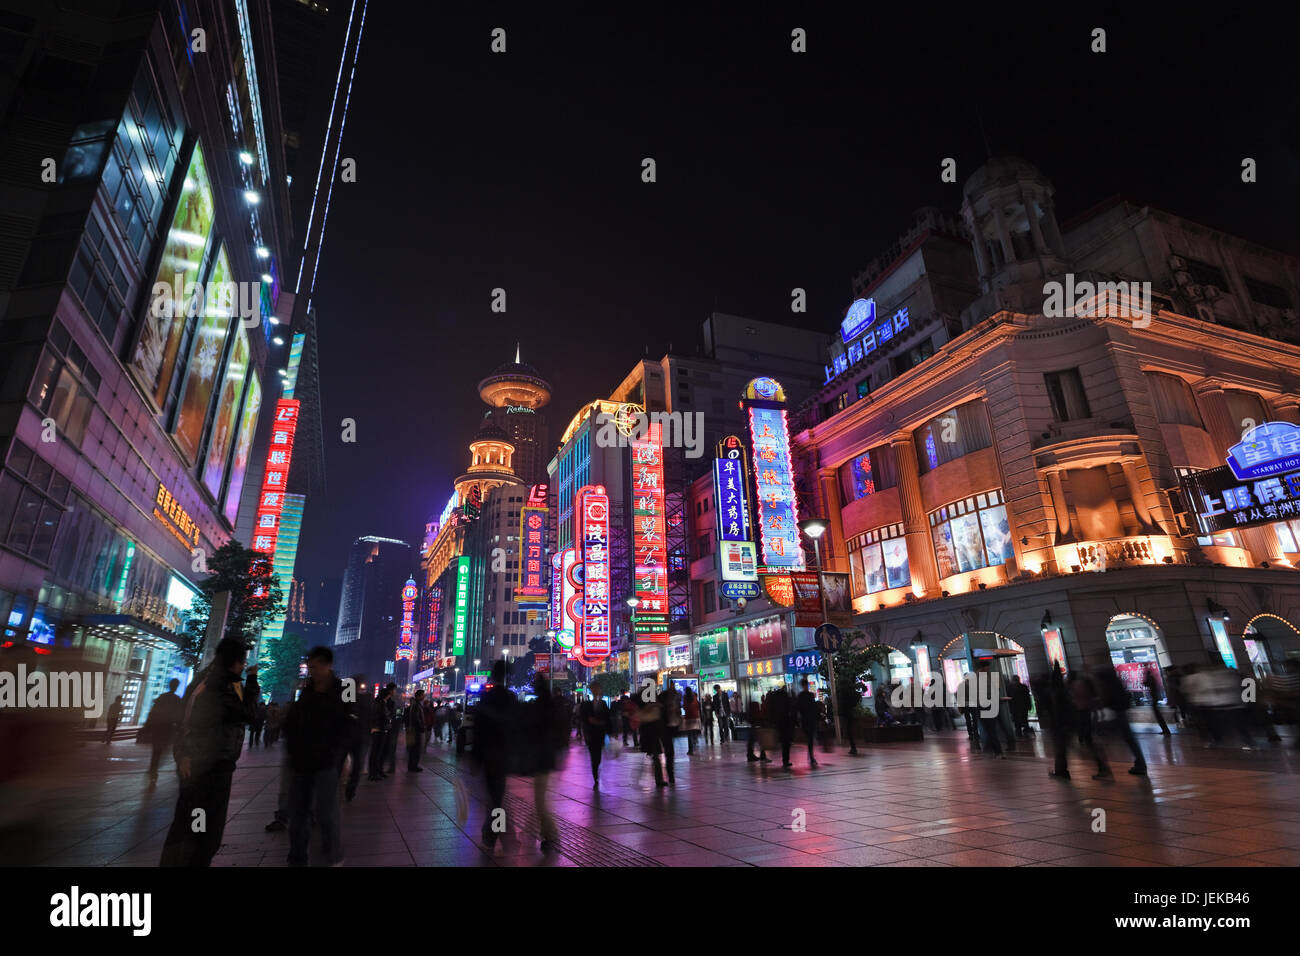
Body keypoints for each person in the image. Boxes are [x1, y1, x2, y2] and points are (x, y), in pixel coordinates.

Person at [160, 638, 260, 866]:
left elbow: (184, 717)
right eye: (243, 662)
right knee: (202, 831)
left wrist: (182, 754)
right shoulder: (221, 685)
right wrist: (253, 682)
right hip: (209, 771)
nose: (244, 666)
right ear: (234, 661)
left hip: (202, 767)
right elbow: (249, 714)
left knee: (191, 827)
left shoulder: (204, 679)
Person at [283, 646, 354, 866]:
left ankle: (332, 855)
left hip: (326, 761)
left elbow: (348, 726)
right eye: (310, 667)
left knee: (326, 813)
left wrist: (341, 756)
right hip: (301, 762)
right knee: (298, 815)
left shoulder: (344, 689)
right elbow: (295, 721)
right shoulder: (307, 690)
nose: (311, 671)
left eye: (315, 666)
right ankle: (297, 858)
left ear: (327, 665)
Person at [473, 661, 518, 847]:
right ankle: (495, 831)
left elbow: (478, 729)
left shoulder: (486, 697)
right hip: (504, 752)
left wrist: (475, 757)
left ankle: (493, 832)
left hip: (488, 752)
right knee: (497, 795)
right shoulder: (510, 697)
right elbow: (517, 727)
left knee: (494, 796)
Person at [524, 674, 565, 851]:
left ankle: (551, 833)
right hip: (546, 756)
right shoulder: (549, 706)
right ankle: (546, 832)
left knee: (539, 801)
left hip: (542, 757)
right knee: (539, 799)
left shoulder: (540, 707)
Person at [1094, 664, 1147, 775]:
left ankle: (1104, 768)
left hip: (1114, 714)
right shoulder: (1116, 683)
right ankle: (1140, 763)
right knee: (1129, 739)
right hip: (1119, 713)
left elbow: (1107, 700)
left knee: (1101, 740)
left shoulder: (1108, 686)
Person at [143, 678, 184, 779]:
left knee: (157, 748)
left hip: (159, 727)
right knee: (162, 748)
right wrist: (179, 728)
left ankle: (153, 768)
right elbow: (179, 715)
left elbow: (153, 711)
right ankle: (154, 768)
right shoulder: (177, 699)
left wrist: (148, 724)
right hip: (168, 727)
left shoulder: (162, 697)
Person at [344, 676, 372, 802]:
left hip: (347, 736)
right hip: (360, 736)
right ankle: (351, 788)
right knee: (357, 765)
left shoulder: (345, 698)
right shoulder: (365, 700)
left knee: (340, 762)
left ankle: (346, 786)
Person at [579, 691, 610, 787]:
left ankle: (596, 770)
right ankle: (595, 776)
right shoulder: (586, 704)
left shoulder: (603, 704)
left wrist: (611, 731)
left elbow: (607, 718)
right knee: (594, 756)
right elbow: (584, 719)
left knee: (598, 757)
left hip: (600, 734)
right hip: (591, 735)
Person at [638, 689, 667, 787]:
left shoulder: (654, 706)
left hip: (653, 734)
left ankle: (659, 779)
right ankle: (659, 779)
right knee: (656, 757)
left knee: (655, 757)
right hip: (651, 735)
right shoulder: (650, 706)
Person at [368, 683, 395, 780]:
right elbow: (383, 716)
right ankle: (373, 774)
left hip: (377, 729)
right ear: (387, 695)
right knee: (376, 752)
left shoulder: (377, 702)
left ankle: (374, 773)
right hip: (380, 729)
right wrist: (388, 721)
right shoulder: (381, 703)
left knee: (375, 752)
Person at [768, 684, 795, 768]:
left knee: (783, 741)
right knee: (786, 743)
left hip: (778, 722)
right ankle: (785, 760)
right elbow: (790, 708)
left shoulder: (774, 698)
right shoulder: (785, 697)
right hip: (785, 722)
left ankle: (784, 760)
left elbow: (771, 710)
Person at [660, 682, 682, 785]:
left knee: (670, 753)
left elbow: (678, 712)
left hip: (672, 727)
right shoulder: (664, 700)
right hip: (665, 729)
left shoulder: (675, 700)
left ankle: (670, 775)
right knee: (669, 753)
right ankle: (670, 775)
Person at [796, 678, 820, 767]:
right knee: (810, 738)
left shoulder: (801, 696)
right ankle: (811, 756)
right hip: (810, 719)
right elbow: (814, 707)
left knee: (810, 738)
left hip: (805, 720)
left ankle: (811, 755)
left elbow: (798, 708)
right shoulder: (810, 695)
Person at [1143, 666, 1171, 735]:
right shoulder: (1152, 678)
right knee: (1158, 715)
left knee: (1158, 715)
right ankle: (1165, 730)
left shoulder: (1150, 678)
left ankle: (1166, 730)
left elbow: (1146, 683)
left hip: (1154, 698)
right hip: (1154, 698)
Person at [405, 689, 427, 771]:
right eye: (423, 695)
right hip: (416, 730)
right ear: (418, 696)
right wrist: (422, 727)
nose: (424, 696)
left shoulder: (416, 705)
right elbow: (417, 718)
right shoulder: (416, 705)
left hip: (416, 729)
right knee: (416, 749)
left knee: (414, 749)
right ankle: (413, 766)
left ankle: (412, 766)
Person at [746, 697, 770, 762]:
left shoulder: (753, 709)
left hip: (754, 725)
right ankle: (762, 756)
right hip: (758, 725)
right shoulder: (761, 706)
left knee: (752, 740)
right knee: (762, 740)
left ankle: (751, 755)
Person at [682, 687, 701, 754]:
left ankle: (691, 750)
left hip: (689, 717)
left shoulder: (685, 697)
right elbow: (697, 706)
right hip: (695, 717)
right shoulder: (694, 697)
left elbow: (684, 707)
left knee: (689, 734)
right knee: (694, 731)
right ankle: (695, 741)